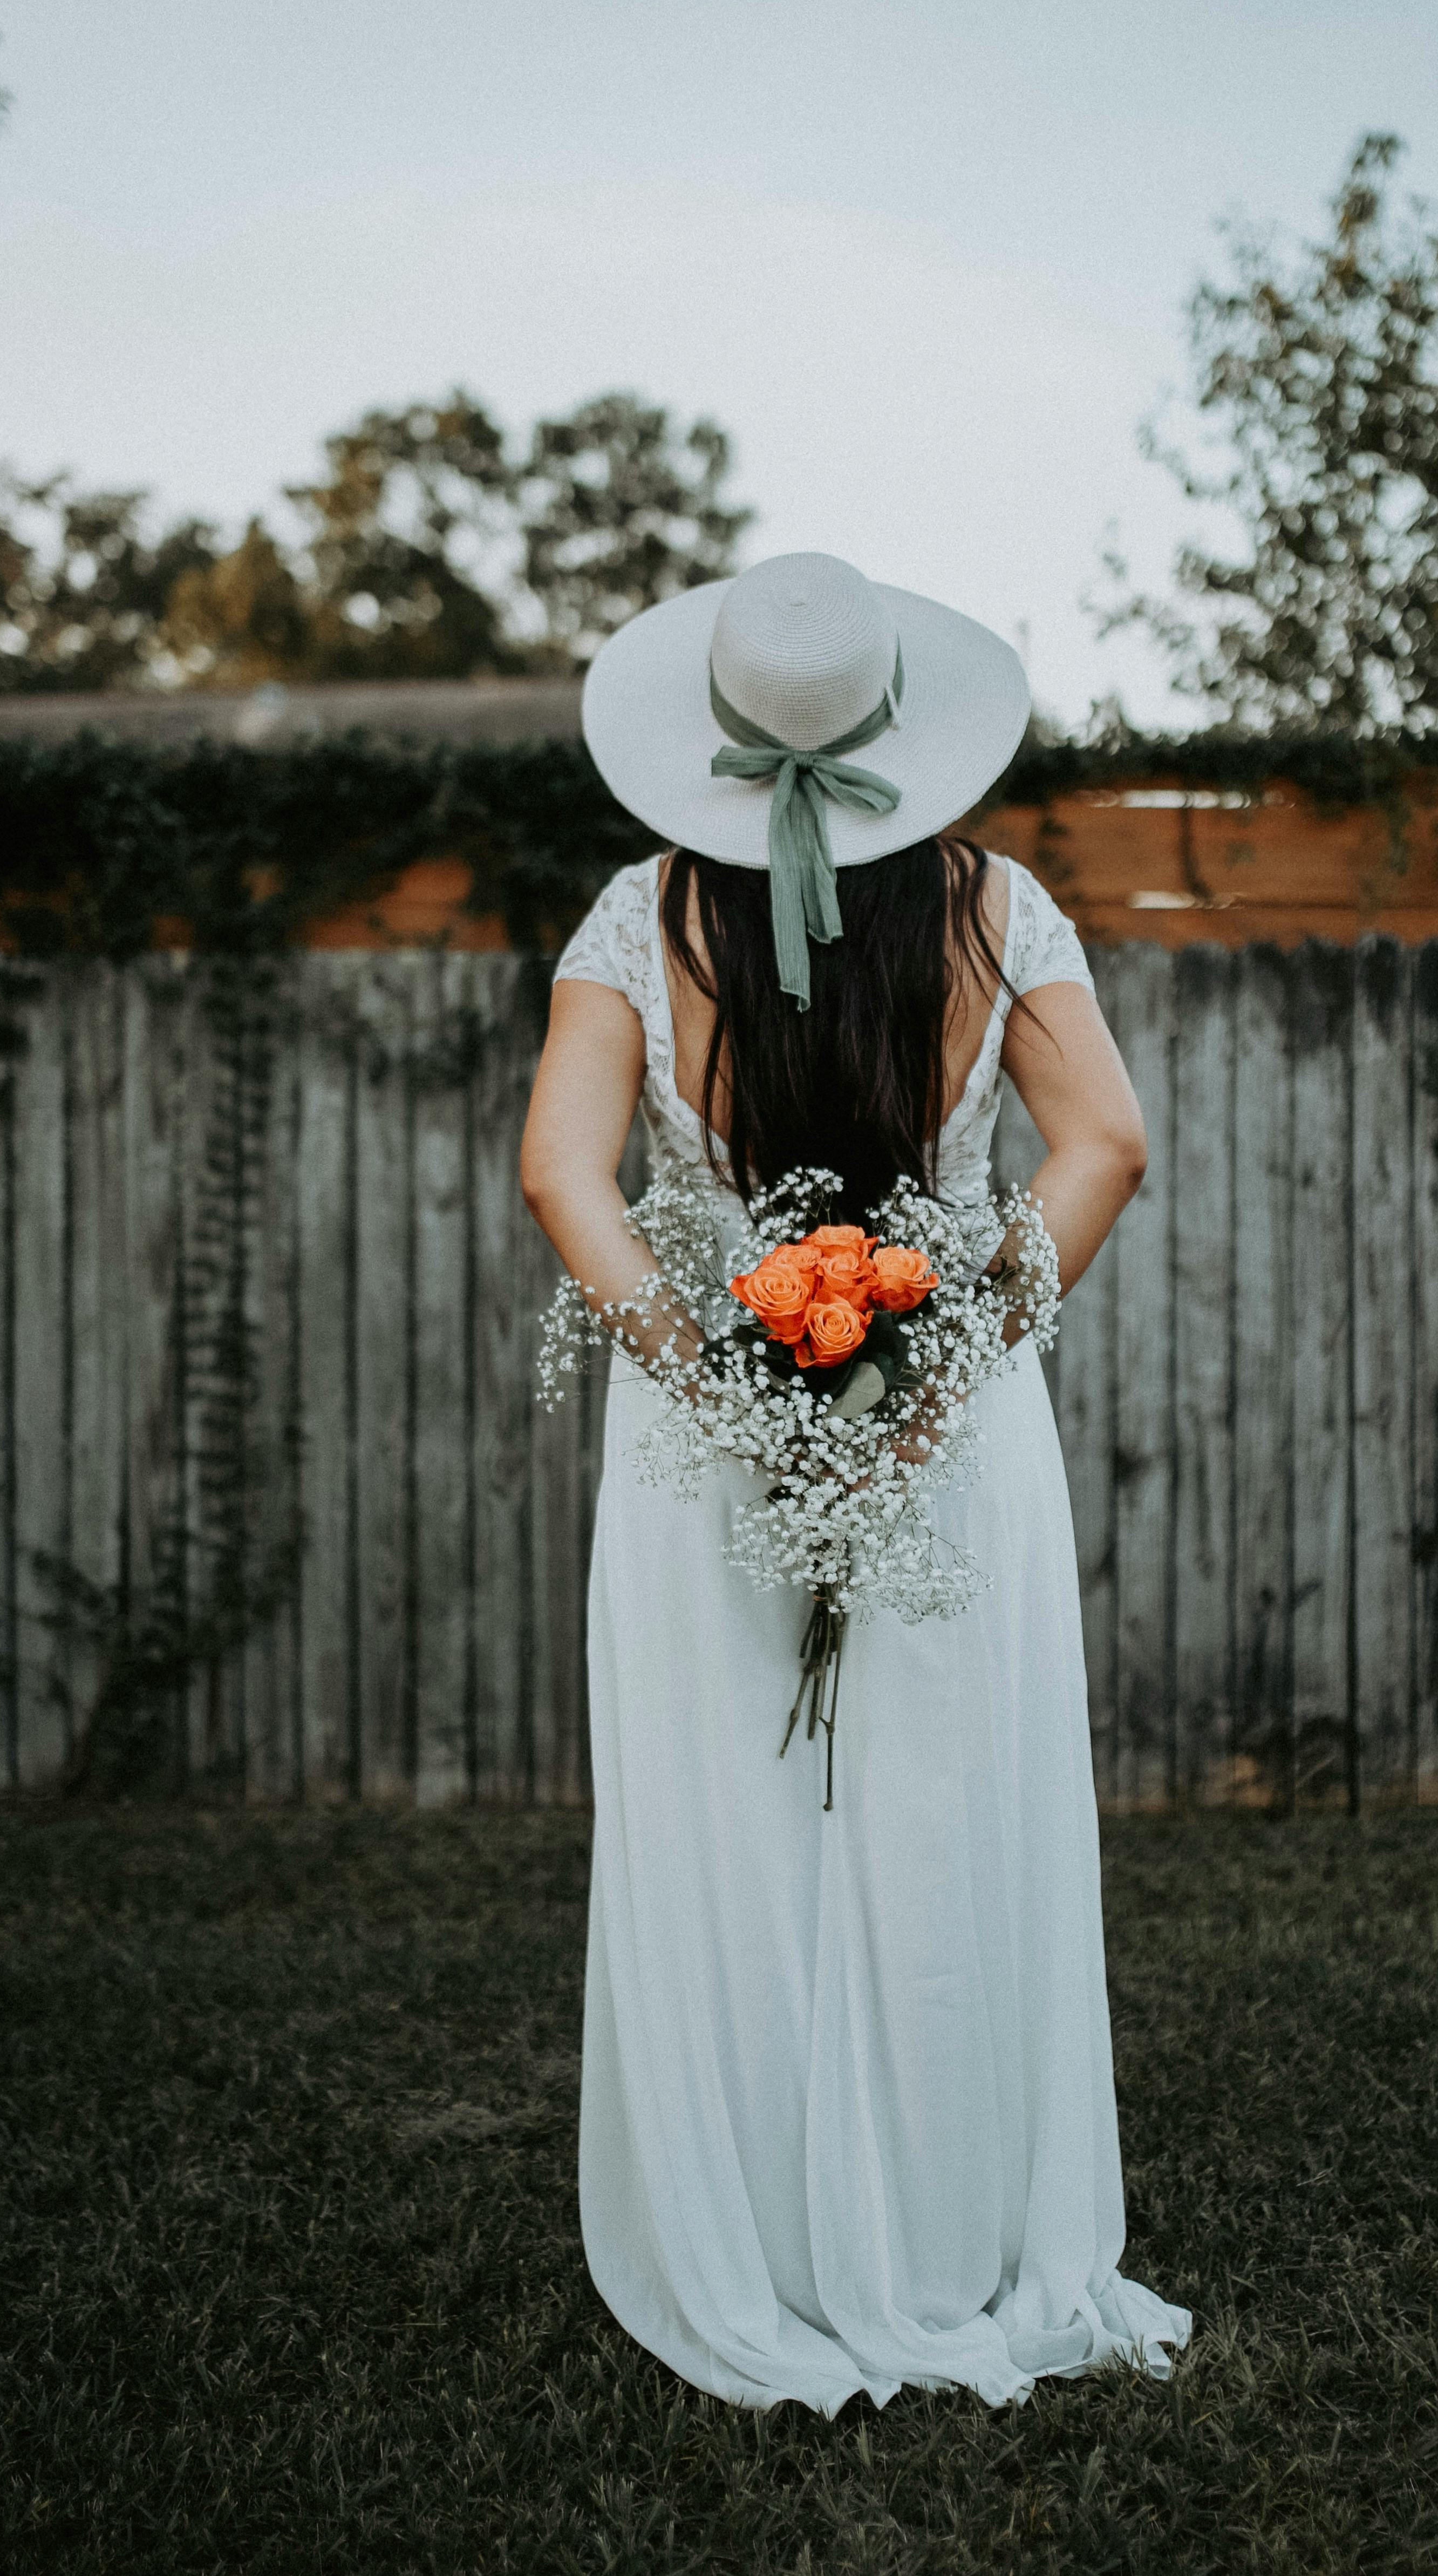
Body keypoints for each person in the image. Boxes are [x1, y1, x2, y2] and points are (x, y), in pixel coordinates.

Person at [521, 550, 1191, 2412]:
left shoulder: (632, 912)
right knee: (935, 1813)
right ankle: (952, 2233)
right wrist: (937, 1363)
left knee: (725, 1826)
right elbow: (1105, 1144)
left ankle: (763, 2236)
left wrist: (721, 1373)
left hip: (699, 1452)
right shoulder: (1000, 907)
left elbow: (562, 1174)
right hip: (948, 1442)